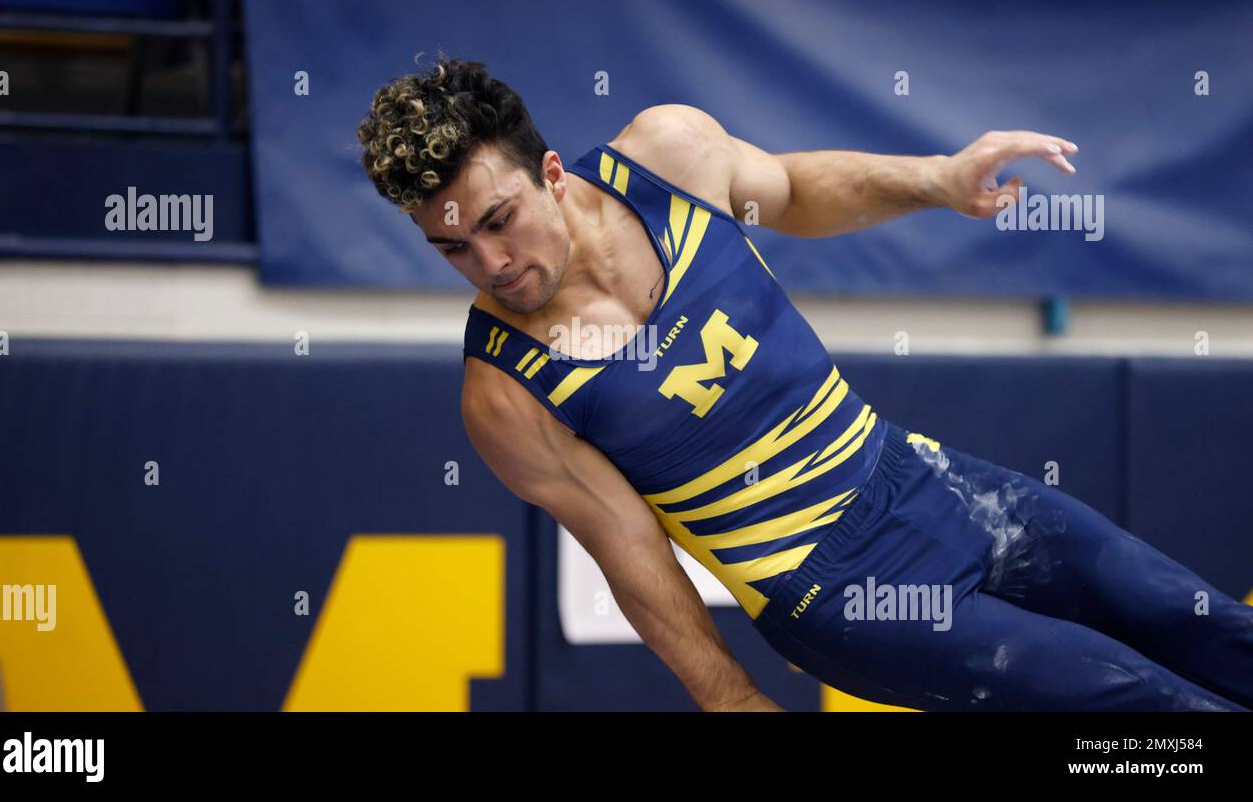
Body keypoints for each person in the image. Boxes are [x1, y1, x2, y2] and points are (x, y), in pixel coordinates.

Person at [356, 55, 1253, 711]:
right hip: (832, 594)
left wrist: (938, 179)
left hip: (918, 478)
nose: (491, 262)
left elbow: (790, 189)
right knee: (1145, 711)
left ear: (550, 174)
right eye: (453, 249)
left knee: (1197, 617)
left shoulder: (666, 156)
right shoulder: (504, 393)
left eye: (498, 221)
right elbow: (629, 549)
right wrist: (732, 699)